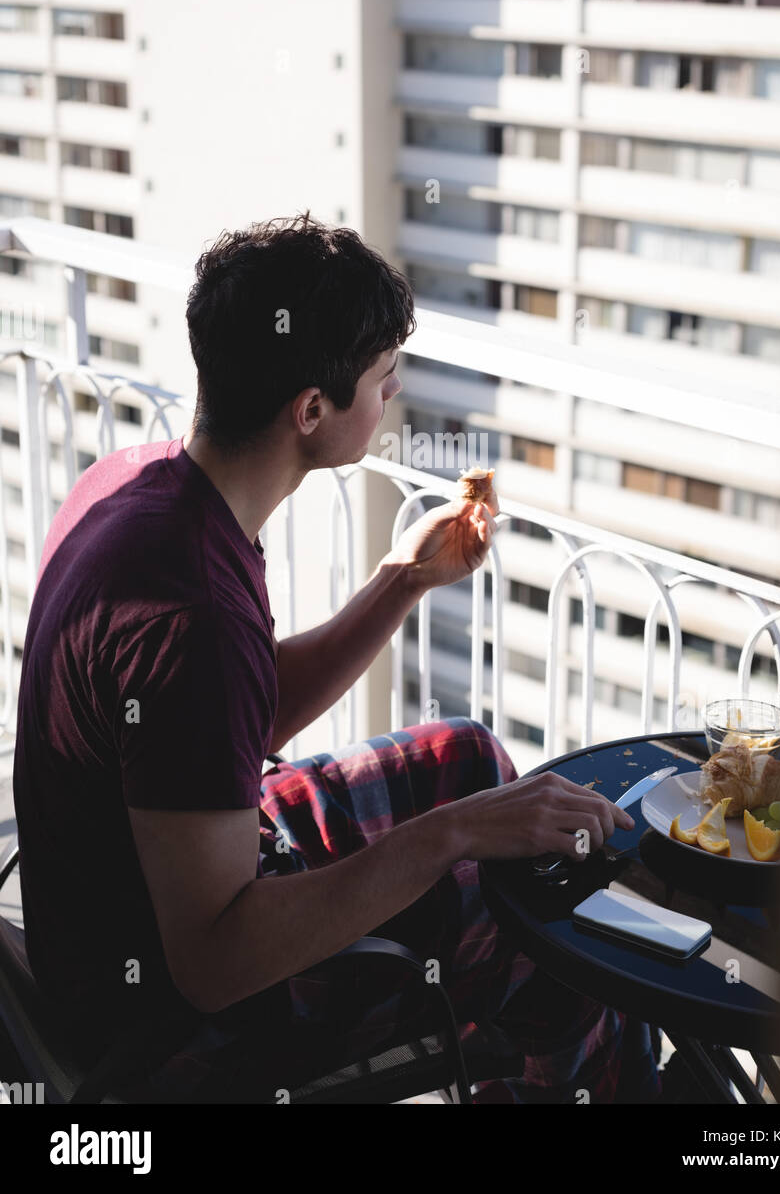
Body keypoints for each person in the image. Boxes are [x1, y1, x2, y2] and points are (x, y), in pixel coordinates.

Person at [12, 211, 661, 1103]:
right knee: (540, 931)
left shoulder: (140, 484)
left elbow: (220, 726)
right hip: (160, 1019)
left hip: (145, 887)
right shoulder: (192, 610)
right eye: (383, 377)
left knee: (466, 756)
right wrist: (452, 835)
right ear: (311, 410)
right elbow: (214, 960)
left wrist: (400, 581)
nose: (392, 394)